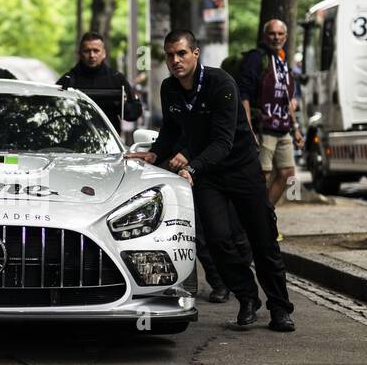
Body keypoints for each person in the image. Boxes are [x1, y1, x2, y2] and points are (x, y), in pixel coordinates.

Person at [126, 29, 295, 332]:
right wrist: (155, 154)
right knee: (217, 240)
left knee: (262, 238)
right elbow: (172, 131)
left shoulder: (221, 84)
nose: (175, 60)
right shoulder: (169, 88)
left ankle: (280, 308)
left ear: (195, 53)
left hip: (240, 168)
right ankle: (247, 298)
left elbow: (222, 141)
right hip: (207, 176)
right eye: (169, 55)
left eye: (181, 53)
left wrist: (192, 165)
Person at [238, 19, 303, 208]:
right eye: (272, 34)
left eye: (280, 34)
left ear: (286, 37)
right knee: (261, 176)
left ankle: (265, 217)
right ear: (265, 36)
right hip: (263, 128)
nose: (276, 37)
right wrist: (249, 129)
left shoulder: (282, 60)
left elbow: (287, 98)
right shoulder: (257, 58)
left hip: (283, 129)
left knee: (287, 174)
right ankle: (250, 223)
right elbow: (244, 94)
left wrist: (296, 128)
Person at [57, 31, 142, 132]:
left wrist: (123, 104)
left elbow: (134, 114)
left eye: (96, 51)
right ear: (79, 53)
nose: (92, 55)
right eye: (87, 51)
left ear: (104, 53)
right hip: (73, 142)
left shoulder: (117, 79)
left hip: (109, 143)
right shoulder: (68, 80)